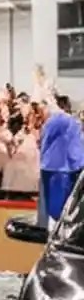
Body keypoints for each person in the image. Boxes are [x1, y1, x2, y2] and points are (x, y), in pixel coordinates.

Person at [39, 94, 84, 225]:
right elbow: (74, 150)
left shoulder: (51, 122)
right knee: (60, 210)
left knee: (52, 209)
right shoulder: (67, 121)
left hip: (50, 167)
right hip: (61, 170)